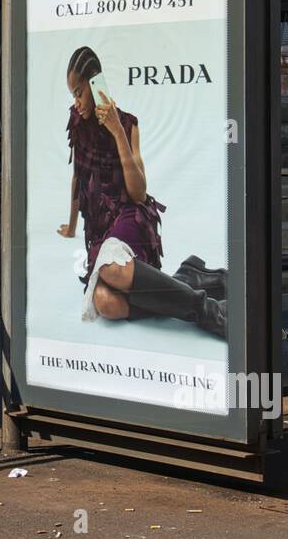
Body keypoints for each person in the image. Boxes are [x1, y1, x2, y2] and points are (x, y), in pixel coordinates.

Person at [57, 46, 226, 336]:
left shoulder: (127, 123)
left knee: (110, 266)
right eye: (72, 94)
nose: (77, 102)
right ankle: (188, 277)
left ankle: (209, 312)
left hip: (130, 218)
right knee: (105, 303)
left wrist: (116, 132)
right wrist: (72, 225)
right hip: (101, 233)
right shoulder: (77, 123)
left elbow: (138, 193)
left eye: (79, 92)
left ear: (96, 83)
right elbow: (78, 177)